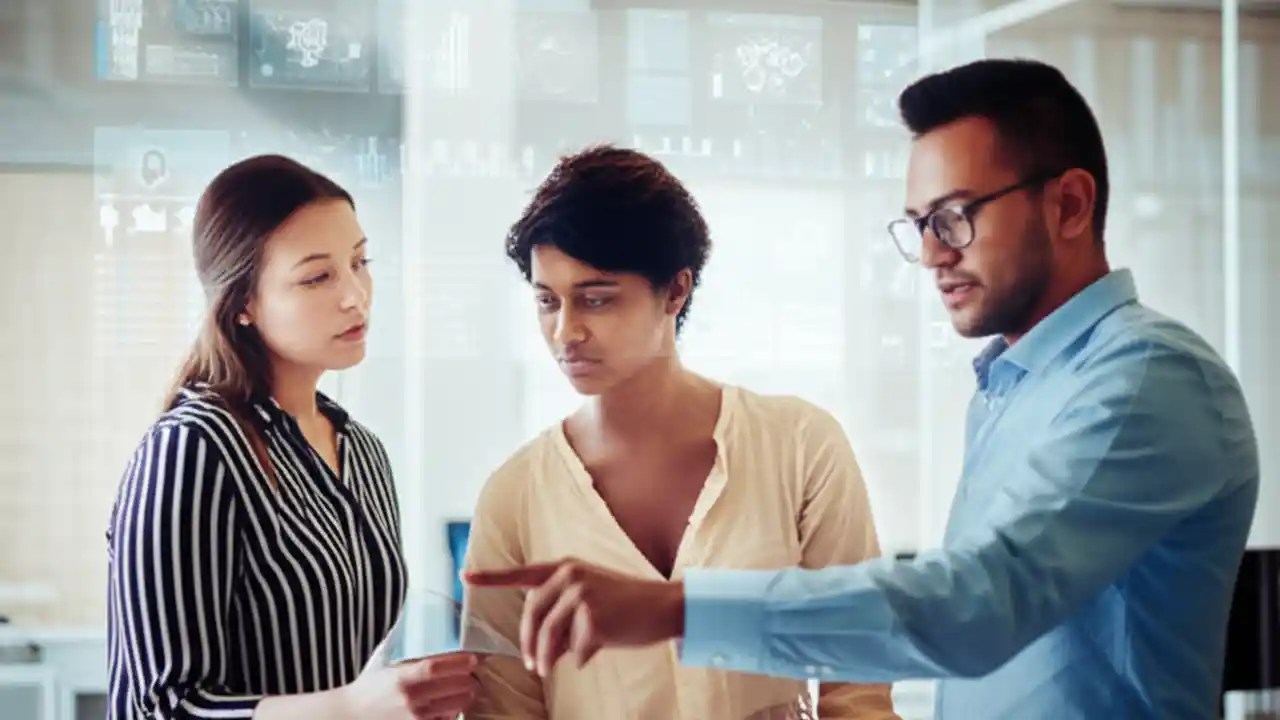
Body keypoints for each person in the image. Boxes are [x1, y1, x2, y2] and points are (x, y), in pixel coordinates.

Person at [467, 59, 1261, 719]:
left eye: (954, 217)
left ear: (1070, 203)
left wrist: (674, 608)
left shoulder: (1142, 379)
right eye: (917, 224)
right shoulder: (1010, 388)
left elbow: (980, 605)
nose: (931, 254)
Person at [462, 146, 898, 719]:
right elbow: (503, 709)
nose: (566, 332)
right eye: (548, 302)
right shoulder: (515, 495)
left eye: (596, 299)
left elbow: (858, 678)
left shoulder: (799, 446)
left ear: (676, 290)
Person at [106, 155, 478, 720]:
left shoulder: (362, 451)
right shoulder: (195, 447)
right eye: (317, 276)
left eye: (360, 262)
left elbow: (350, 667)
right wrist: (349, 709)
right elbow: (166, 709)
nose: (356, 295)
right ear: (244, 304)